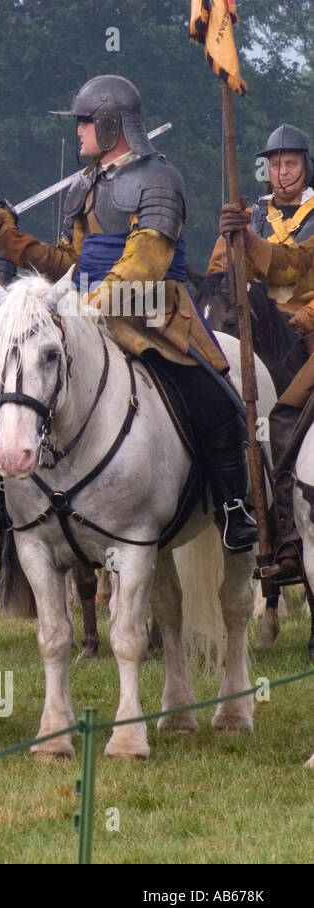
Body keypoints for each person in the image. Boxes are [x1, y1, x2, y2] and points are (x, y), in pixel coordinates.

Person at [0, 74, 258, 550]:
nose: (78, 132)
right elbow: (70, 261)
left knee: (213, 399)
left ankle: (233, 504)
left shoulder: (159, 178)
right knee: (21, 382)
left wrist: (88, 305)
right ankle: (9, 490)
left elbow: (145, 261)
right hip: (87, 306)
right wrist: (11, 239)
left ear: (112, 125)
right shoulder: (86, 185)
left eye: (85, 122)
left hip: (153, 310)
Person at [213, 124, 314, 583]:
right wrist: (231, 246)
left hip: (304, 332)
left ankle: (292, 543)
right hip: (255, 333)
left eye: (290, 163)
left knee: (285, 423)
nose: (281, 171)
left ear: (305, 166)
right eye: (274, 163)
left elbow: (299, 269)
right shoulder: (248, 214)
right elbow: (221, 272)